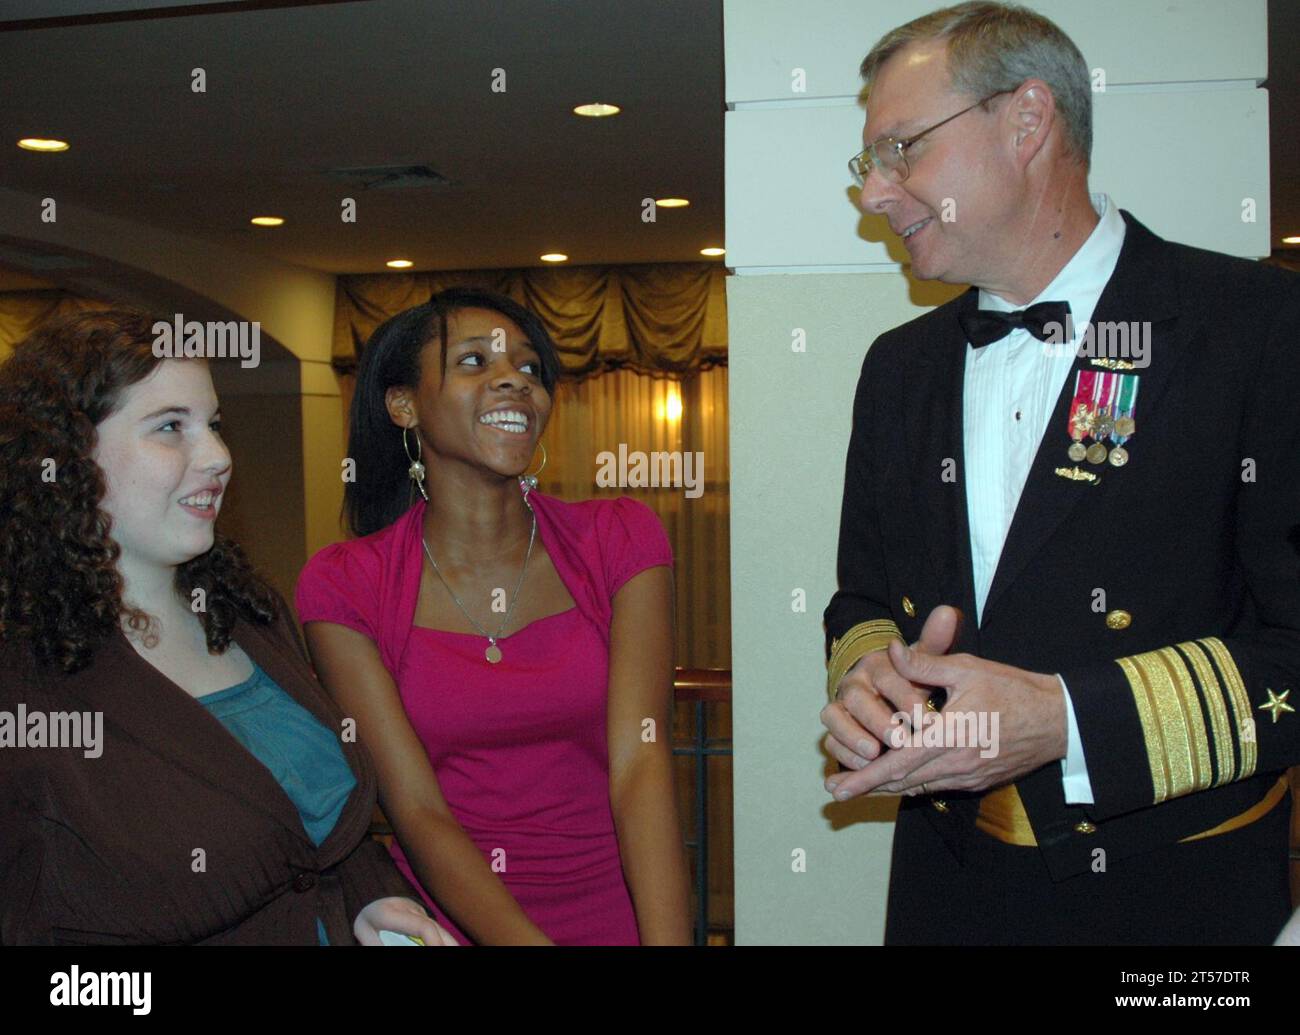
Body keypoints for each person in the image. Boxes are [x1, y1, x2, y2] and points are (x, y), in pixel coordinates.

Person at [820, 1, 1300, 944]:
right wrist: (878, 686)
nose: (874, 192)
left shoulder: (1257, 328)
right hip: (944, 894)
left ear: (1028, 120)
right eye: (867, 162)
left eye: (901, 148)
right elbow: (863, 598)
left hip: (1174, 909)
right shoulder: (899, 368)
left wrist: (1068, 720)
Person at [0, 308, 455, 946]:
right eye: (169, 428)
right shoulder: (26, 683)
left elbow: (322, 839)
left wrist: (368, 903)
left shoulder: (247, 615)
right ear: (66, 455)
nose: (217, 456)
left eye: (213, 425)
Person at [295, 287, 691, 945]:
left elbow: (641, 767)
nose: (515, 381)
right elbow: (418, 811)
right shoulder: (346, 585)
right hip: (452, 926)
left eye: (531, 369)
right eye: (475, 362)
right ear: (404, 404)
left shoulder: (620, 538)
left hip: (616, 912)